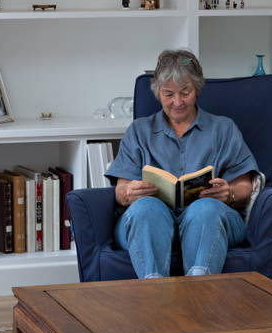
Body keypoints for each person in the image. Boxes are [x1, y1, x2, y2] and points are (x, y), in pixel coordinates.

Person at [104, 49, 259, 278]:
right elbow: (120, 191)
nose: (177, 102)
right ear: (157, 93)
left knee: (204, 209)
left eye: (185, 92)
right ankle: (154, 290)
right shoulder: (139, 131)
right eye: (169, 94)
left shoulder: (223, 128)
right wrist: (129, 193)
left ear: (197, 89)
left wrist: (230, 193)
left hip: (209, 219)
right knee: (146, 209)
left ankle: (198, 290)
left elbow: (245, 185)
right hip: (151, 221)